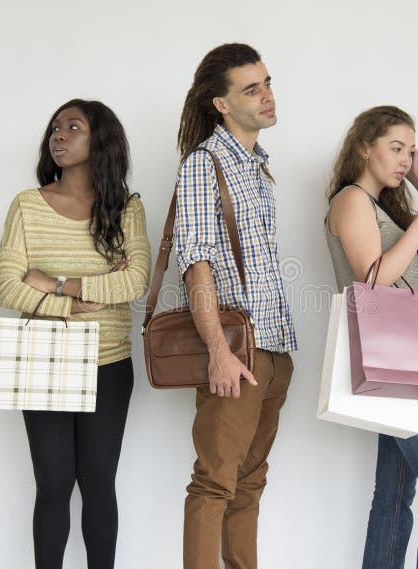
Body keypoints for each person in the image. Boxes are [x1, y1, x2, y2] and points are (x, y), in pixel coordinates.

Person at [0, 98, 150, 569]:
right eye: (55, 128)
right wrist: (77, 303)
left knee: (100, 483)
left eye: (73, 127)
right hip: (43, 357)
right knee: (53, 486)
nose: (58, 135)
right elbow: (5, 285)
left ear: (99, 139)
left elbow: (135, 281)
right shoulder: (27, 204)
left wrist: (53, 282)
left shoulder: (126, 208)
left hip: (109, 362)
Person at [325, 106, 418, 569]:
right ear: (365, 148)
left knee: (394, 493)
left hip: (404, 358)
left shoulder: (385, 205)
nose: (404, 158)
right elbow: (373, 280)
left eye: (411, 150)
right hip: (391, 360)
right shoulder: (351, 200)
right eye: (395, 148)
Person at [174, 43, 297, 569]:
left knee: (249, 483)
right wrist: (219, 352)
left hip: (273, 348)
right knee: (215, 484)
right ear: (221, 104)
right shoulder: (205, 165)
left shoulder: (258, 167)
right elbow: (196, 264)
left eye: (267, 83)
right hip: (237, 352)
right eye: (252, 89)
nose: (267, 95)